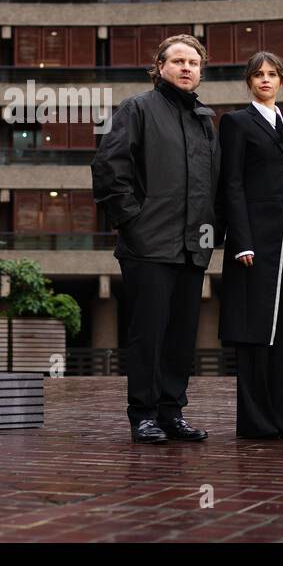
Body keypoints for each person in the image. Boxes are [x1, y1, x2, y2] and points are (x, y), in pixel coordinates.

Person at [91, 34, 222, 444]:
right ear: (160, 67)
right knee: (148, 333)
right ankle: (143, 415)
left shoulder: (205, 120)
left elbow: (213, 185)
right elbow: (109, 169)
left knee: (181, 336)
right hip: (148, 246)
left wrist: (212, 233)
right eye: (178, 61)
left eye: (194, 63)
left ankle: (171, 412)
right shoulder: (137, 108)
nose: (187, 68)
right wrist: (134, 222)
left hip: (192, 247)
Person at [219, 52, 283, 438]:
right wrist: (240, 241)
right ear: (249, 82)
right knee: (256, 331)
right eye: (258, 75)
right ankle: (258, 423)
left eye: (272, 75)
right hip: (254, 246)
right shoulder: (235, 123)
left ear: (281, 81)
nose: (265, 80)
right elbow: (230, 184)